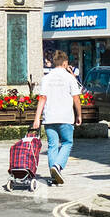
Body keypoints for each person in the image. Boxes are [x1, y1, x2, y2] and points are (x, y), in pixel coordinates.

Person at [31, 49, 81, 185]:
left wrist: (37, 118)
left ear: (54, 63)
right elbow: (76, 98)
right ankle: (57, 166)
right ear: (65, 63)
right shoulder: (70, 78)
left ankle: (54, 175)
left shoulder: (46, 78)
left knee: (52, 145)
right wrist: (79, 115)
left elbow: (42, 98)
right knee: (67, 143)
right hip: (65, 117)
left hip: (50, 117)